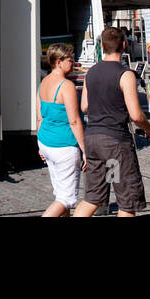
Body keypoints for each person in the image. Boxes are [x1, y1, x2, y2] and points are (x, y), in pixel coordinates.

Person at [72, 27, 150, 218]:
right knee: (126, 200)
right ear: (124, 45)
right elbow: (136, 115)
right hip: (115, 142)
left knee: (93, 198)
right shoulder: (125, 74)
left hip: (93, 139)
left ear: (102, 46)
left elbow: (85, 106)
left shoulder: (91, 72)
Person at [37, 43, 86, 217]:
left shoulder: (43, 82)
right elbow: (74, 121)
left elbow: (40, 117)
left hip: (45, 141)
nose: (73, 63)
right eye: (70, 60)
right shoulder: (66, 86)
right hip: (64, 145)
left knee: (60, 193)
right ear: (59, 62)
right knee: (66, 198)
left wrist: (39, 145)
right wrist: (84, 149)